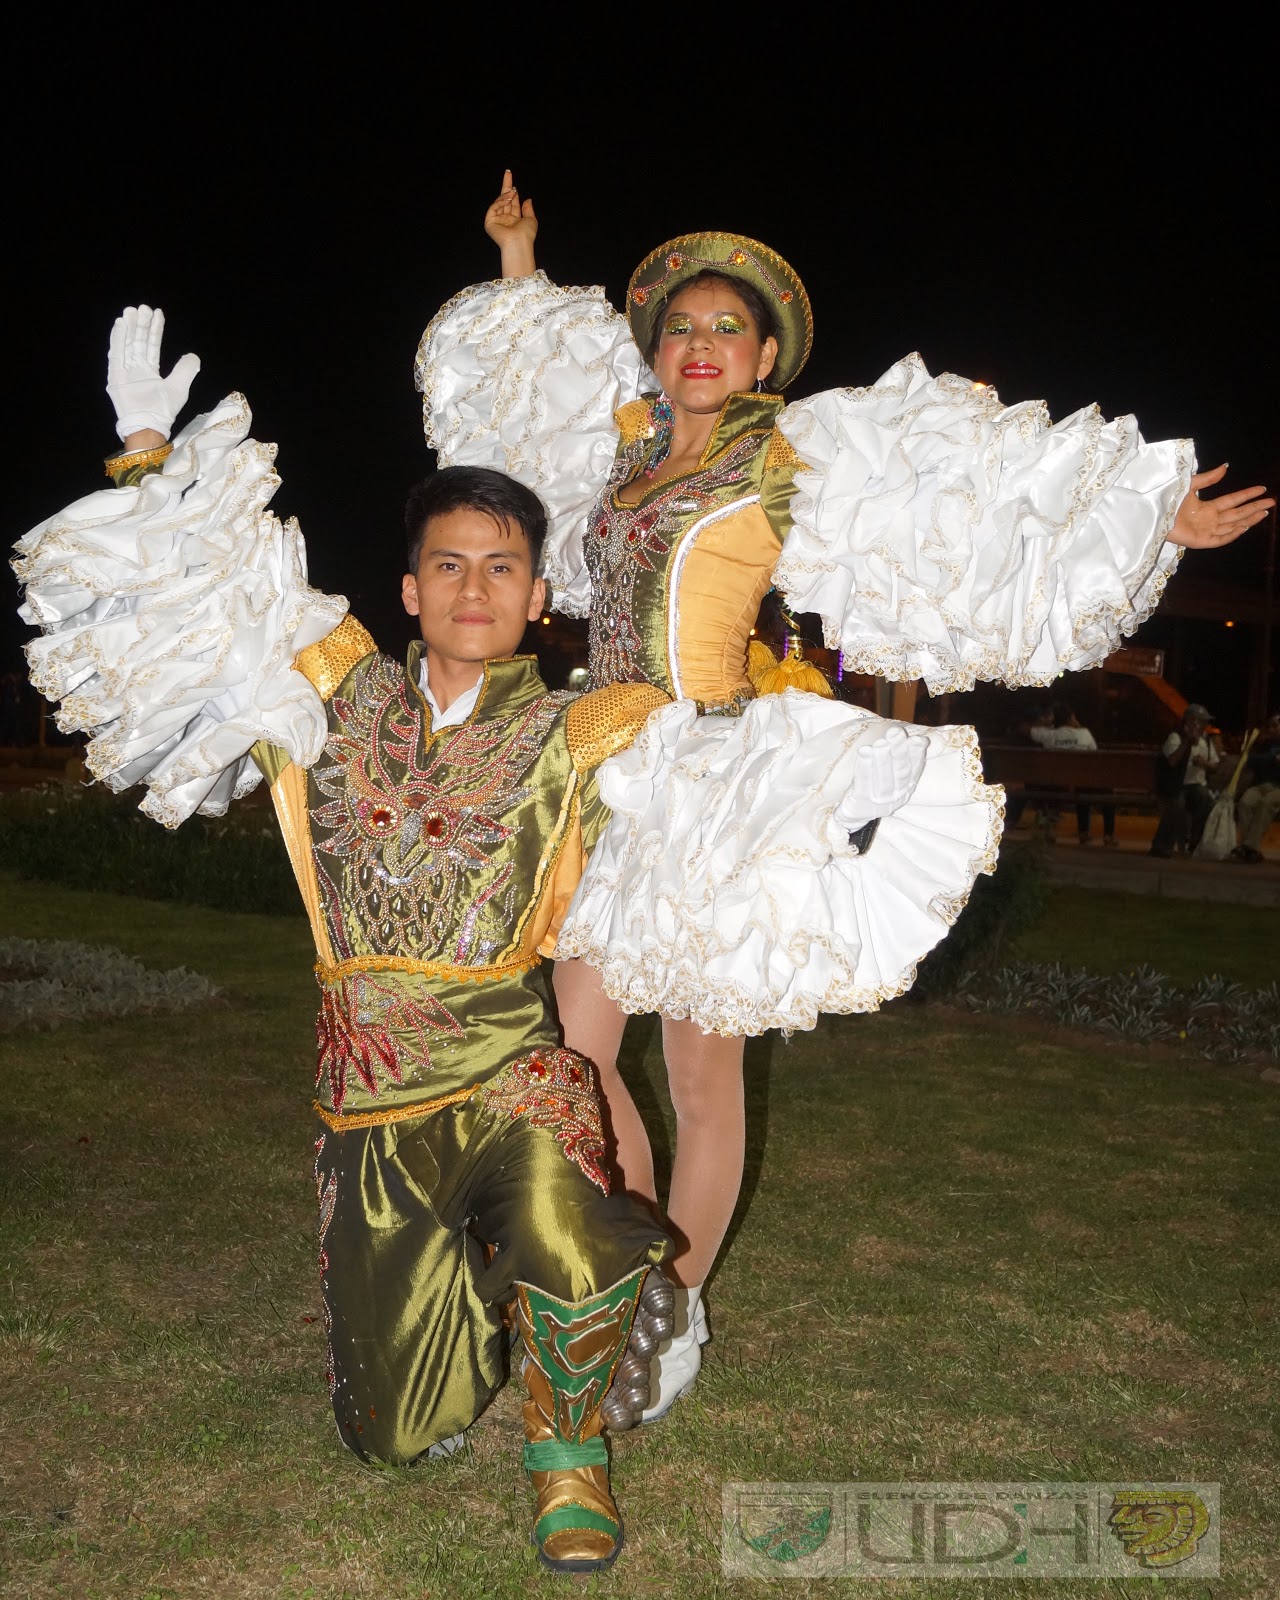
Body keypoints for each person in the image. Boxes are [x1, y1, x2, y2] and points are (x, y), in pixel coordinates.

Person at [416, 173, 1274, 1417]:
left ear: (761, 355)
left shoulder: (794, 455)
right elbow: (525, 392)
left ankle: (668, 1313)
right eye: (679, 328)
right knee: (570, 1054)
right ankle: (620, 1280)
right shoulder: (620, 450)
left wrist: (1145, 513)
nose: (699, 343)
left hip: (711, 786)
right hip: (600, 778)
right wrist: (517, 256)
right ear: (656, 352)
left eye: (724, 328)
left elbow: (975, 498)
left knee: (702, 1078)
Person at [12, 309, 679, 1575]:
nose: (472, 588)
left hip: (504, 1078)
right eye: (448, 565)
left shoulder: (588, 730)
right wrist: (151, 450)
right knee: (391, 1433)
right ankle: (472, 1329)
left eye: (500, 568)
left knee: (562, 1196)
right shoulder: (328, 685)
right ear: (408, 584)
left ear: (538, 595)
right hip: (363, 1102)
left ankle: (568, 1445)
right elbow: (212, 586)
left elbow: (707, 704)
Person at [1151, 703, 1221, 858]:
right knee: (1177, 805)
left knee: (1207, 801)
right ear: (1189, 721)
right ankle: (1161, 845)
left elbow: (1215, 766)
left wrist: (1204, 763)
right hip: (1176, 785)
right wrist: (1187, 741)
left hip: (1196, 786)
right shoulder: (1175, 737)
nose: (1203, 725)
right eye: (1200, 721)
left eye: (1204, 722)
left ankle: (1195, 843)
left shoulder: (1206, 741)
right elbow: (1172, 761)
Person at [1231, 711, 1280, 863]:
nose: (1271, 729)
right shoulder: (1264, 744)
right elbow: (1250, 760)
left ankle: (1248, 847)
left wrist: (1268, 760)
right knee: (1245, 802)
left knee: (1266, 804)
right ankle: (1251, 849)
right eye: (1269, 726)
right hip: (1261, 784)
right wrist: (1272, 758)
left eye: (1275, 725)